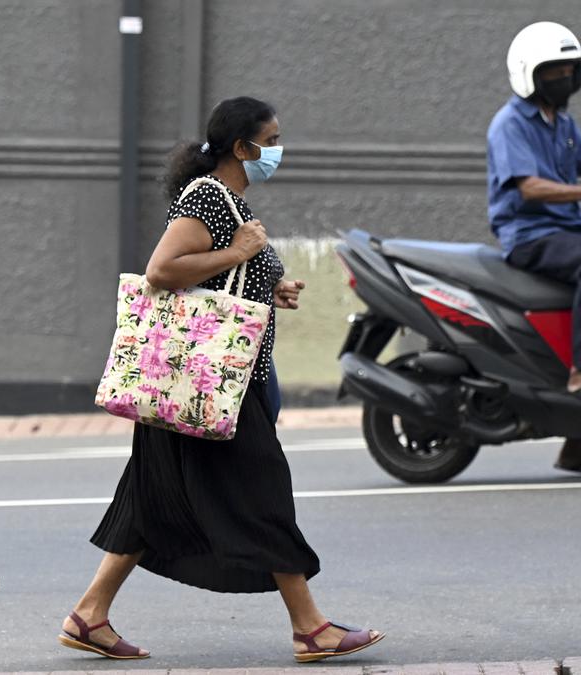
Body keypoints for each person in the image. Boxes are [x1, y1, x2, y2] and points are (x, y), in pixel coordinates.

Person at [61, 97, 382, 664]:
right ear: (242, 147)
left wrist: (270, 288)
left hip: (199, 385)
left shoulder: (230, 201)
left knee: (147, 499)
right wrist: (237, 251)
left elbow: (221, 279)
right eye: (271, 139)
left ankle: (89, 615)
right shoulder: (209, 197)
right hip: (213, 386)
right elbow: (163, 270)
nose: (277, 150)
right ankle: (311, 627)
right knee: (265, 492)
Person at [486, 21, 581, 476]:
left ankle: (576, 446)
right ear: (529, 74)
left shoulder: (564, 123)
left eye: (571, 68)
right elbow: (529, 188)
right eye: (555, 70)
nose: (565, 77)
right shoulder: (510, 123)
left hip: (566, 236)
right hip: (529, 237)